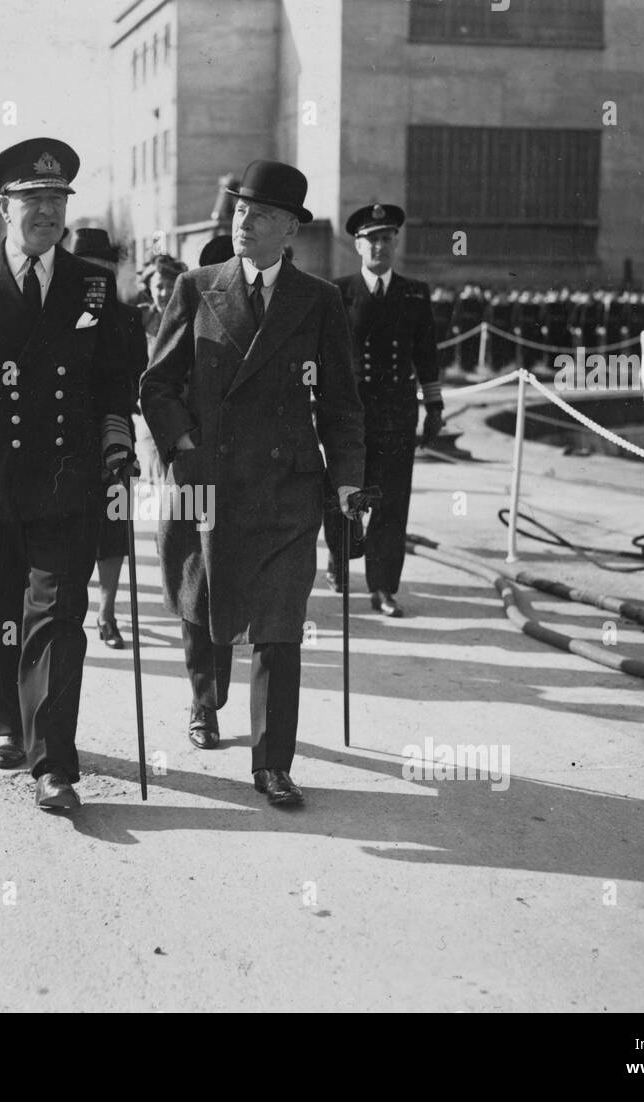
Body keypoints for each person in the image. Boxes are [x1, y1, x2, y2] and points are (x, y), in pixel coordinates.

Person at [0, 137, 134, 810]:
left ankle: (52, 762)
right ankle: (7, 722)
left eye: (57, 200)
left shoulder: (92, 284)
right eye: (32, 200)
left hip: (66, 486)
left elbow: (114, 376)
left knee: (58, 620)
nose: (46, 212)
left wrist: (116, 442)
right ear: (4, 208)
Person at [140, 159, 365, 809]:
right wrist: (184, 446)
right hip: (209, 483)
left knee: (278, 628)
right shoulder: (195, 286)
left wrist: (347, 483)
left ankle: (272, 761)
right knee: (205, 604)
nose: (246, 222)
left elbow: (343, 408)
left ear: (291, 230)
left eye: (263, 214)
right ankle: (205, 701)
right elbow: (157, 384)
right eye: (240, 209)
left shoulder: (319, 301)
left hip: (286, 487)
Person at [322, 203, 442, 617]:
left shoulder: (414, 293)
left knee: (391, 503)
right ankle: (339, 560)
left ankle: (383, 587)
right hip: (350, 416)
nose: (380, 246)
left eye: (387, 238)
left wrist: (435, 406)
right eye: (372, 239)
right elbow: (327, 357)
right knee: (346, 495)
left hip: (396, 415)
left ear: (395, 243)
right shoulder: (338, 292)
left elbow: (427, 354)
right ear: (358, 245)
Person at [68, 227, 148, 650]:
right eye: (87, 270)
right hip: (65, 438)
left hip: (115, 436)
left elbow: (136, 378)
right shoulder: (57, 314)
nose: (96, 279)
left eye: (104, 271)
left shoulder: (128, 319)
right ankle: (69, 610)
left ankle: (107, 612)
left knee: (115, 528)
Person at [136, 253, 187, 486]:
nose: (164, 292)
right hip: (147, 412)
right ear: (148, 287)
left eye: (170, 286)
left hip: (183, 409)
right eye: (159, 286)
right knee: (157, 478)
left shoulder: (188, 317)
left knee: (186, 480)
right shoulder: (140, 319)